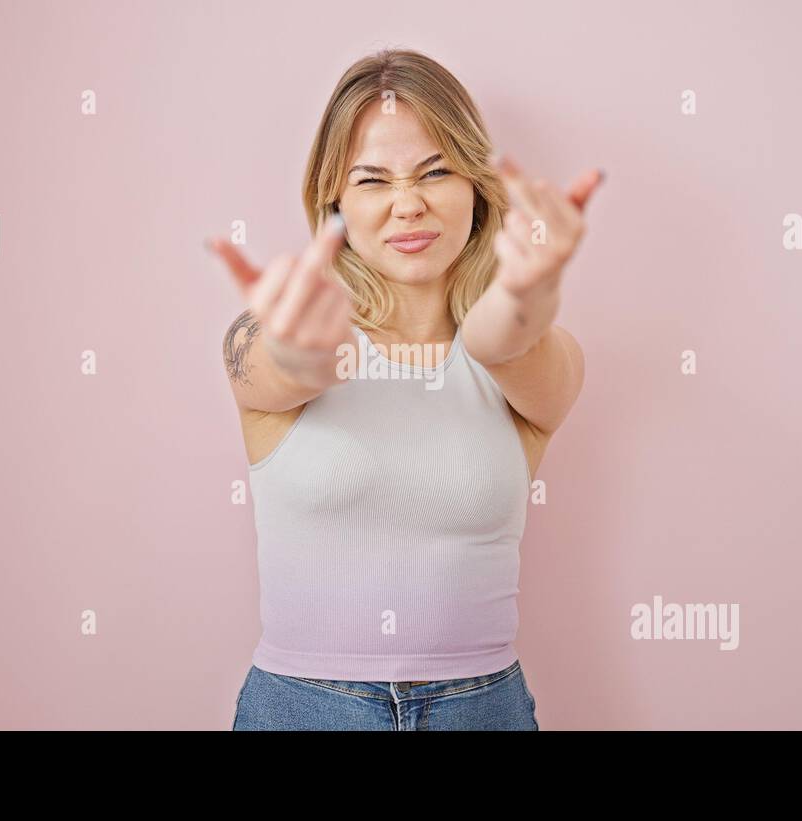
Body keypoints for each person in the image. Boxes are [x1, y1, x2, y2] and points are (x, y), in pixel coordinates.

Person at [208, 48, 602, 730]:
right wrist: (304, 340)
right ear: (334, 201)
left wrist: (531, 286)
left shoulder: (535, 354)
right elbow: (293, 364)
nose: (408, 203)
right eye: (372, 180)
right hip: (302, 709)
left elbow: (500, 338)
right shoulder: (272, 336)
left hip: (481, 710)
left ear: (477, 186)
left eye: (435, 171)